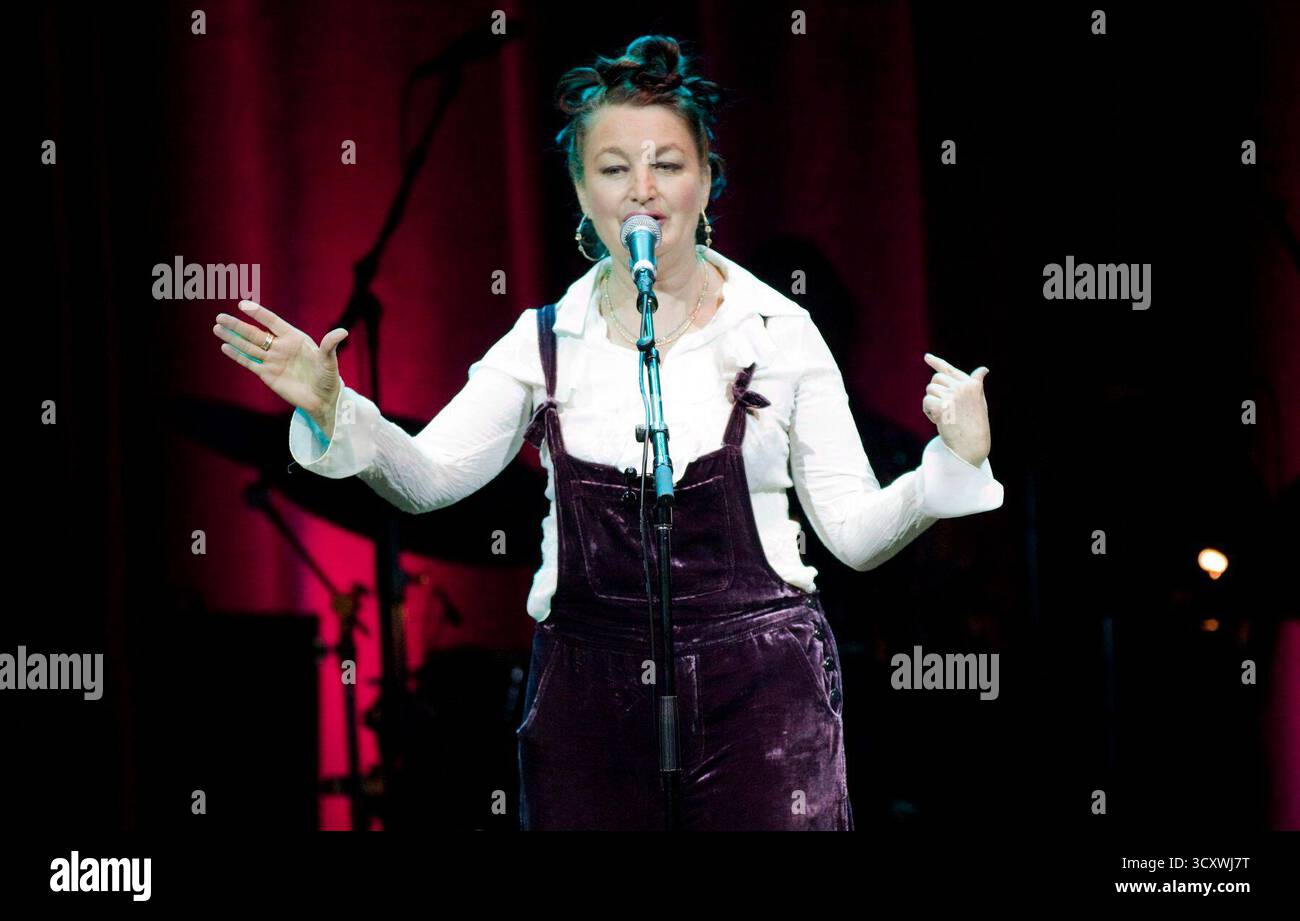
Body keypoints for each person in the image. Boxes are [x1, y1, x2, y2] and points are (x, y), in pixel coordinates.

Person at [211, 34, 1003, 830]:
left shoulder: (778, 330)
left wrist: (950, 465)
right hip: (588, 701)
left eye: (668, 163)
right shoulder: (546, 342)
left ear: (707, 180)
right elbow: (429, 479)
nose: (643, 190)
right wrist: (333, 408)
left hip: (761, 695)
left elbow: (856, 534)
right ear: (582, 191)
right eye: (614, 169)